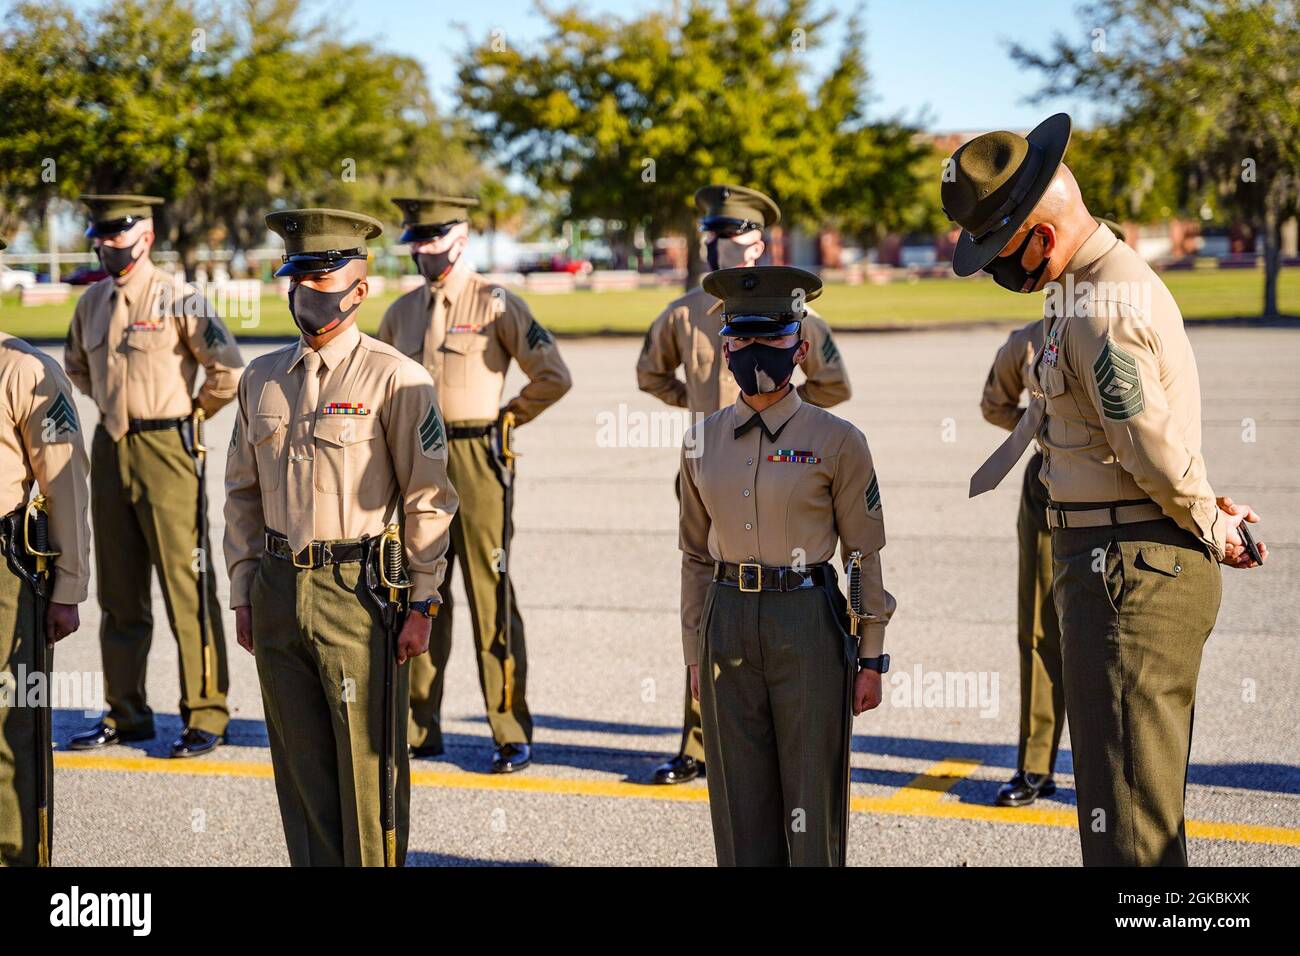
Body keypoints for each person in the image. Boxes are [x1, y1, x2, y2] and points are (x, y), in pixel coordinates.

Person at [954, 114, 1267, 865]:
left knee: (1128, 831)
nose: (1000, 272)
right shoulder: (1085, 288)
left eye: (1002, 255)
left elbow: (1146, 444)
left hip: (1128, 573)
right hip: (1115, 559)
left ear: (1041, 232)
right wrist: (1205, 504)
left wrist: (1208, 521)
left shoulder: (1099, 309)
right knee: (1131, 809)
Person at [225, 208, 457, 865]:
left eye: (324, 284)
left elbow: (429, 497)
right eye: (300, 282)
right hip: (276, 586)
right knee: (300, 772)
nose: (309, 297)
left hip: (359, 595)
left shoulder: (396, 377)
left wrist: (425, 601)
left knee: (366, 771)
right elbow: (242, 492)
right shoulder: (261, 375)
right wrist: (244, 592)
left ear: (359, 289)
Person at [679, 265, 894, 866]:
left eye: (769, 339)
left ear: (800, 347)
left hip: (806, 620)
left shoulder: (838, 439)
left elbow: (863, 553)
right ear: (724, 350)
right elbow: (695, 556)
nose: (754, 353)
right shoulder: (699, 441)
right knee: (738, 809)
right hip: (726, 621)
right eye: (740, 339)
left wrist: (872, 654)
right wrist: (694, 654)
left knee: (811, 801)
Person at [637, 183, 851, 785]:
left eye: (736, 234)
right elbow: (648, 372)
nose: (725, 245)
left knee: (781, 594)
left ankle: (774, 734)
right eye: (715, 235)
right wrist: (699, 413)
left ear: (760, 241)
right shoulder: (683, 313)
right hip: (713, 472)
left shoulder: (801, 313)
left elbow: (833, 386)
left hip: (785, 474)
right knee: (703, 593)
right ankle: (697, 741)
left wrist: (784, 405)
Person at [378, 195, 570, 774]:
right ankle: (417, 726)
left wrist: (507, 419)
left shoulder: (495, 302)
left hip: (474, 457)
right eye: (414, 237)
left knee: (491, 594)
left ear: (459, 238)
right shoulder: (402, 311)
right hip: (416, 461)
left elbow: (552, 374)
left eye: (432, 237)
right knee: (417, 592)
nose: (420, 248)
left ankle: (510, 729)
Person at [64, 194, 242, 759]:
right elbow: (75, 366)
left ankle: (207, 712)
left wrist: (192, 416)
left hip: (168, 446)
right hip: (111, 446)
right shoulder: (91, 301)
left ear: (144, 234)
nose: (108, 243)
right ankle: (127, 713)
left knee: (187, 588)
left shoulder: (178, 297)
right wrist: (116, 408)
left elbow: (227, 370)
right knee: (118, 593)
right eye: (101, 234)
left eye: (118, 233)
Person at [980, 218, 1127, 808]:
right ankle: (1037, 765)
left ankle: (1116, 771)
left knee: (1115, 633)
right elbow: (994, 402)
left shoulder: (1112, 324)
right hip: (1048, 488)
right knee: (1042, 628)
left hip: (1115, 494)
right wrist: (1042, 427)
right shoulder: (1026, 340)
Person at [0, 229, 92, 866]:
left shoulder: (27, 370)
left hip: (5, 573)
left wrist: (66, 590)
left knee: (12, 728)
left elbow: (65, 487)